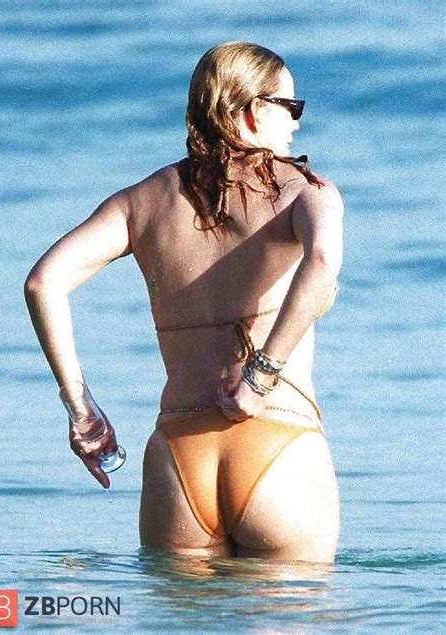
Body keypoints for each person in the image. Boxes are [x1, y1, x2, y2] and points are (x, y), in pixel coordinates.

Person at [24, 41, 343, 563]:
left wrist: (79, 407)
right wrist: (261, 375)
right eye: (291, 107)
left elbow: (44, 282)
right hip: (277, 442)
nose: (297, 123)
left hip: (178, 456)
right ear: (254, 110)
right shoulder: (304, 190)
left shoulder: (141, 200)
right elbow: (323, 261)